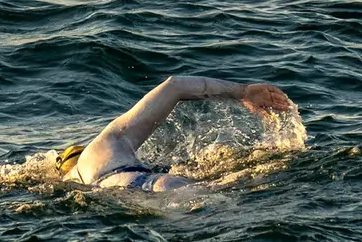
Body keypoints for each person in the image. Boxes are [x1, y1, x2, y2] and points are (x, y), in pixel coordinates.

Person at [57, 74, 293, 193]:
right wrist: (243, 92)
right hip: (164, 185)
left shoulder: (80, 185)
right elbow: (175, 85)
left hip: (138, 200)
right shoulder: (104, 146)